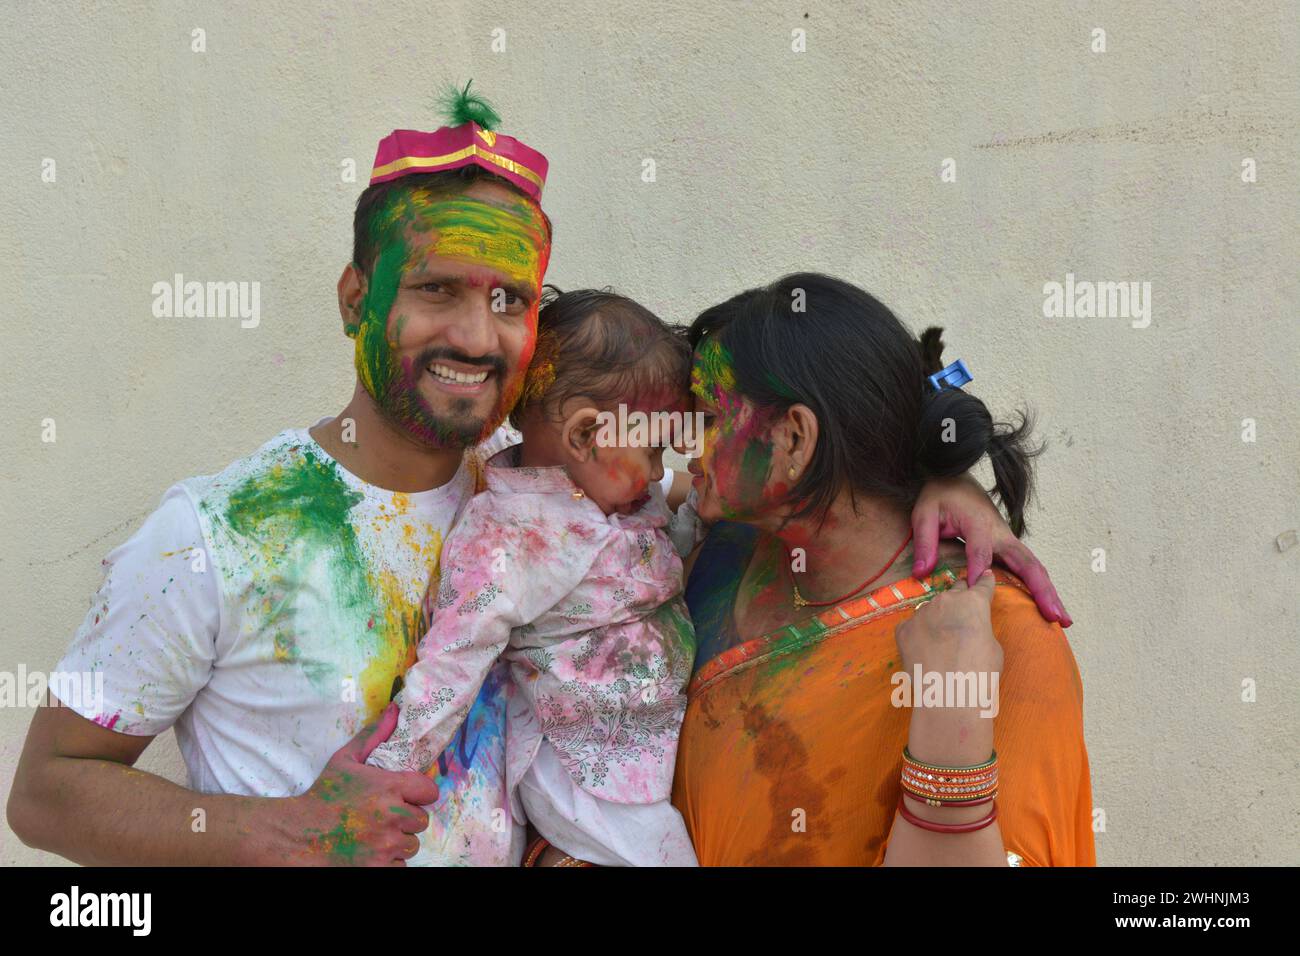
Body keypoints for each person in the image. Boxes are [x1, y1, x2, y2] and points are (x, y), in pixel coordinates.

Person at [7, 85, 1068, 866]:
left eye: (510, 298)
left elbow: (806, 438)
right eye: (435, 289)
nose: (476, 332)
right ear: (352, 297)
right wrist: (261, 833)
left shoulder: (571, 496)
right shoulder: (220, 529)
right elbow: (45, 793)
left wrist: (934, 480)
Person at [671, 274, 1093, 866]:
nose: (686, 443)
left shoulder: (1003, 640)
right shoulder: (721, 558)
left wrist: (952, 736)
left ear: (795, 438)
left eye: (709, 416)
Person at [368, 289, 703, 866]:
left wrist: (705, 508)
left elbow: (674, 520)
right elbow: (453, 657)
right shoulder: (512, 533)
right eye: (652, 450)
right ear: (582, 435)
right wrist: (388, 770)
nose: (657, 471)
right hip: (582, 767)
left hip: (640, 743)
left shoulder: (615, 489)